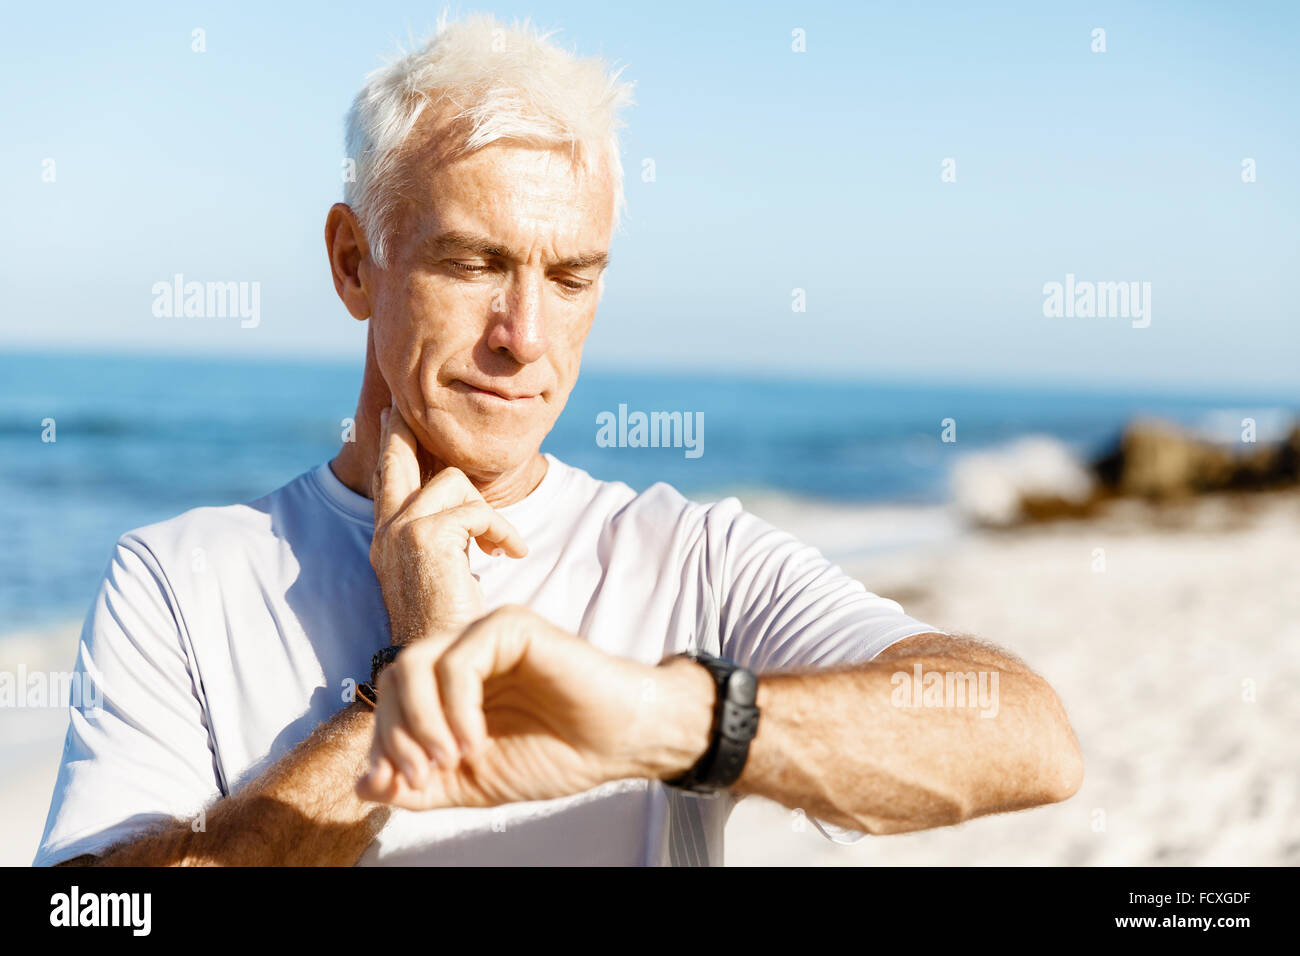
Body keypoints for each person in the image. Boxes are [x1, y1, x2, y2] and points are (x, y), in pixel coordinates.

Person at [34, 14, 1081, 867]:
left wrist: (650, 718)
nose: (524, 336)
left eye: (572, 277)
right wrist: (399, 689)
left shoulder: (689, 557)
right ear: (355, 261)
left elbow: (1025, 734)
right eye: (474, 262)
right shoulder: (180, 577)